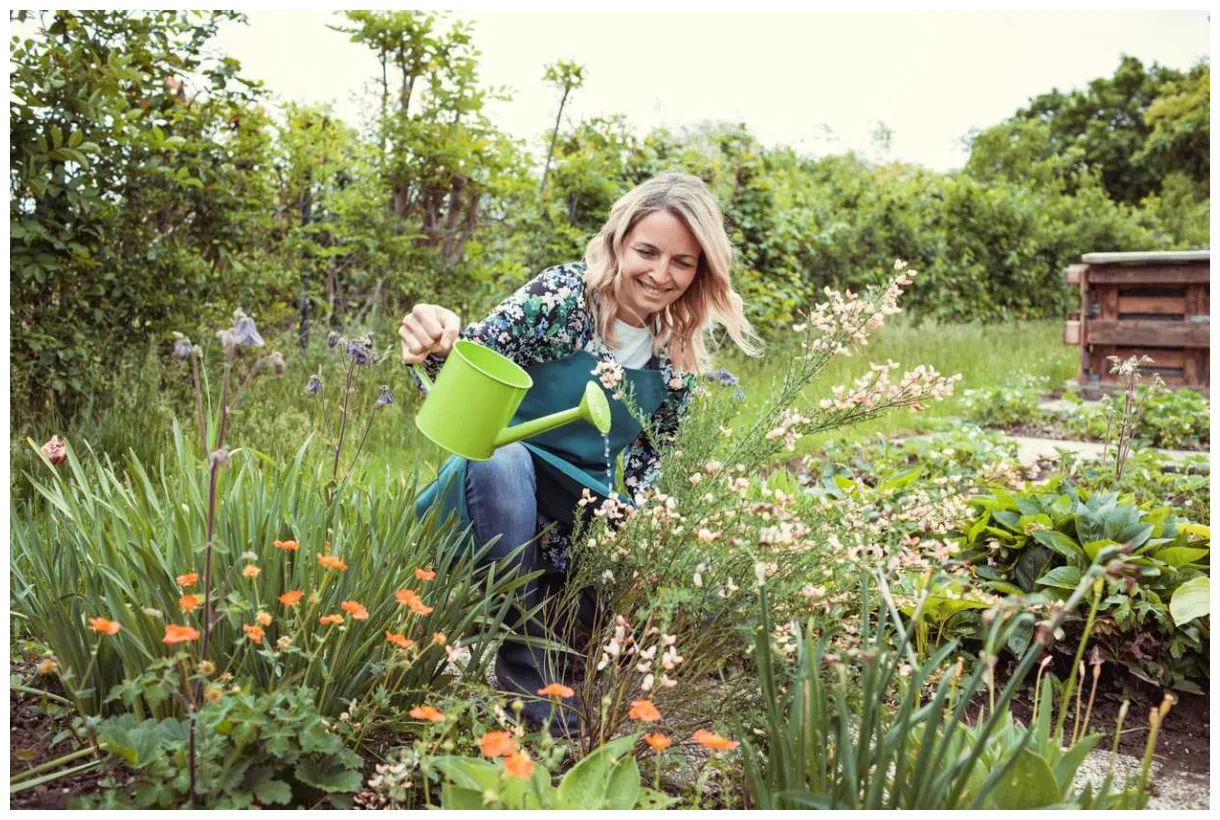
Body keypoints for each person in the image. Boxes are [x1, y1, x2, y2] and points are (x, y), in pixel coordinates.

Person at [401, 172, 760, 731]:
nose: (661, 275)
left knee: (616, 574)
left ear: (701, 271)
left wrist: (642, 540)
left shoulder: (675, 347)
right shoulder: (564, 299)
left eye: (683, 263)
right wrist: (433, 339)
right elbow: (463, 372)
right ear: (618, 241)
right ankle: (526, 658)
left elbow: (654, 463)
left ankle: (565, 640)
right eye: (647, 252)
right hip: (487, 490)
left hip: (576, 510)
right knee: (506, 460)